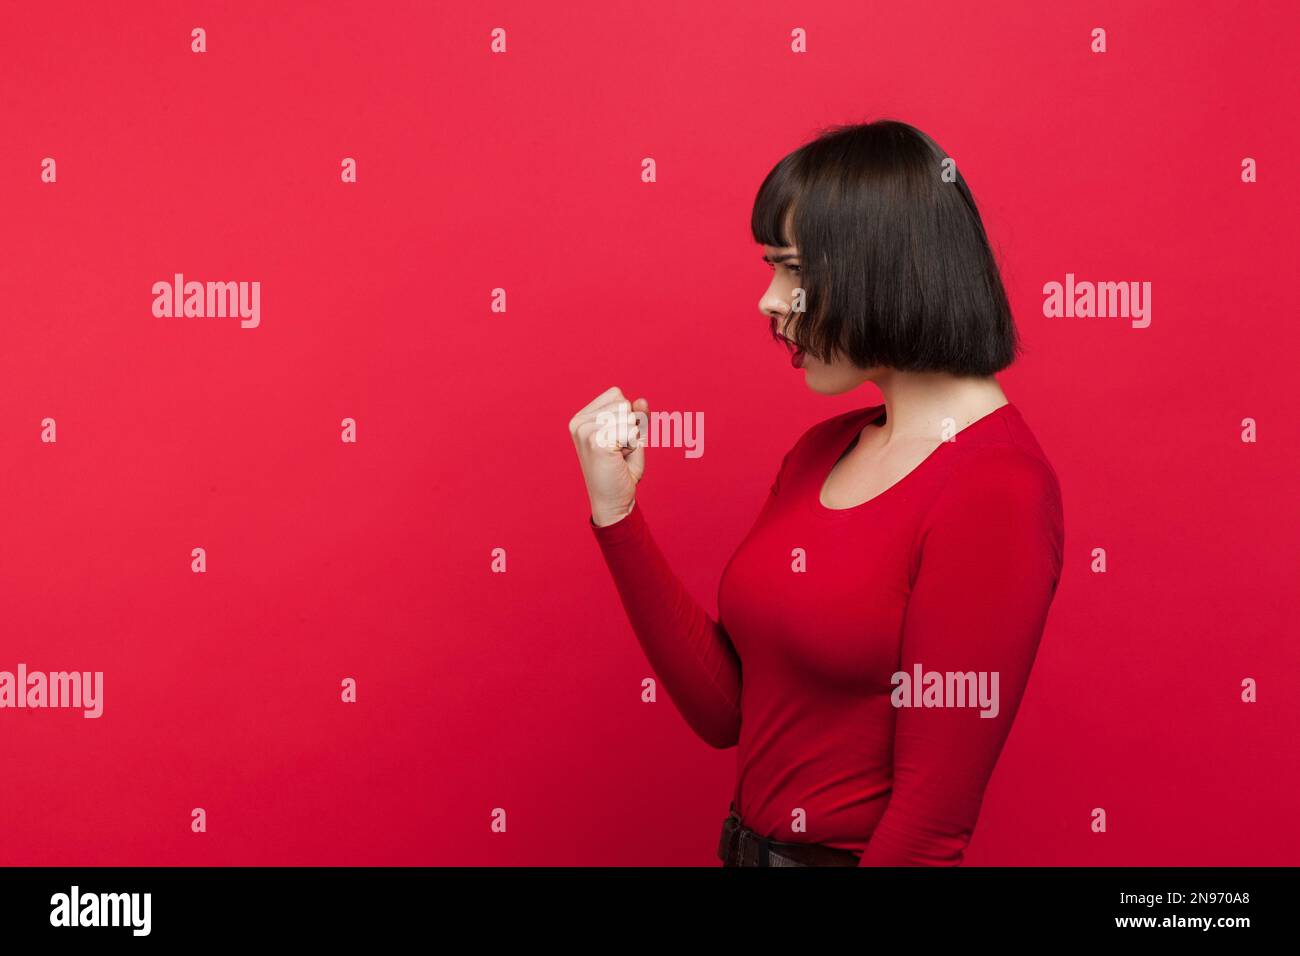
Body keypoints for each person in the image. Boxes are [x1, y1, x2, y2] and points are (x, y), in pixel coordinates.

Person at [567, 120, 1065, 866]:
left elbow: (929, 830)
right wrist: (618, 513)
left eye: (793, 269)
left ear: (883, 266)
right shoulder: (821, 451)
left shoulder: (995, 491)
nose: (771, 301)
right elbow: (728, 710)